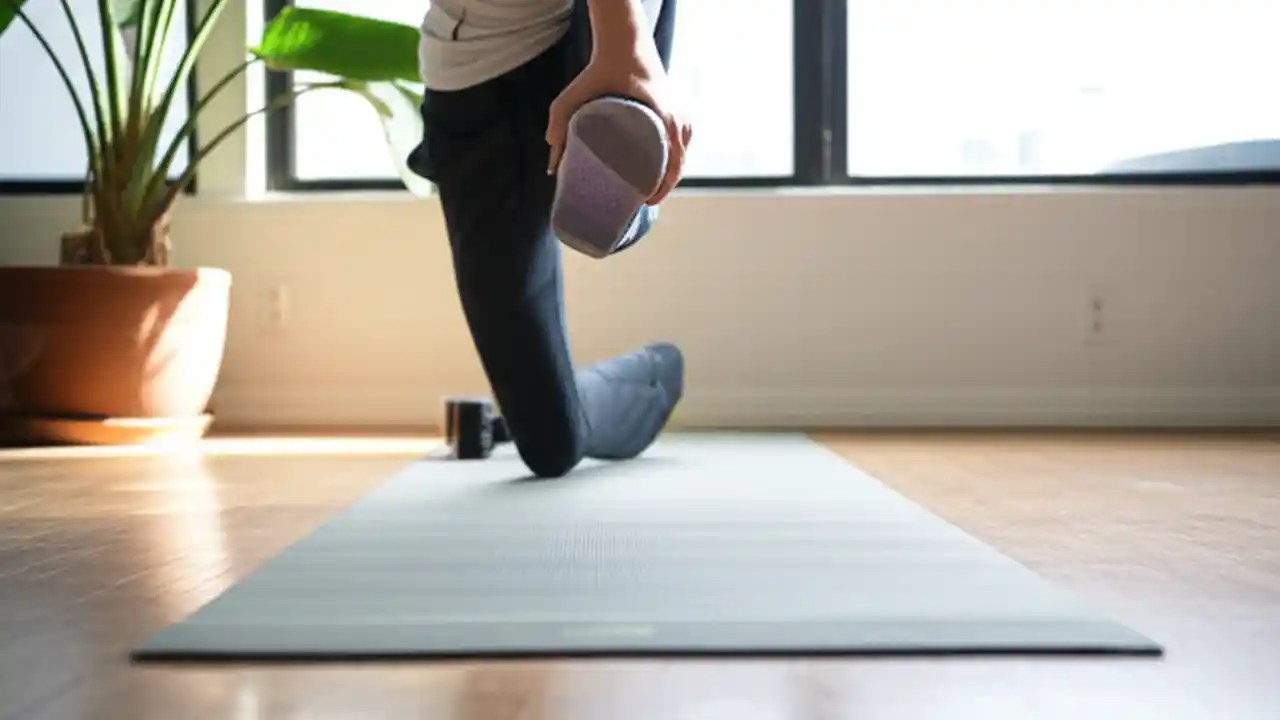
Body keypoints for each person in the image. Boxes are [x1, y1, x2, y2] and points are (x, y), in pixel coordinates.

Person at [407, 0, 694, 478]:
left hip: (584, 31)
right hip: (469, 77)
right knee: (550, 444)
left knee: (621, 122)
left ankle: (633, 147)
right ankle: (645, 379)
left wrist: (627, 46)